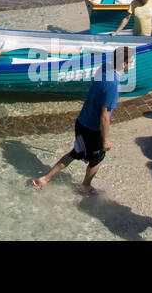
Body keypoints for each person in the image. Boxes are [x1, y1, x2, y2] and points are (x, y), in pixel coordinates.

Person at [30, 47, 131, 194]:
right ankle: (85, 185)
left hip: (81, 121)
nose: (131, 65)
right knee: (97, 158)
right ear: (124, 63)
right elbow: (105, 116)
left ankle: (44, 179)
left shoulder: (103, 68)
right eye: (130, 62)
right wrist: (105, 140)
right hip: (93, 129)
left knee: (75, 153)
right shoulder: (114, 85)